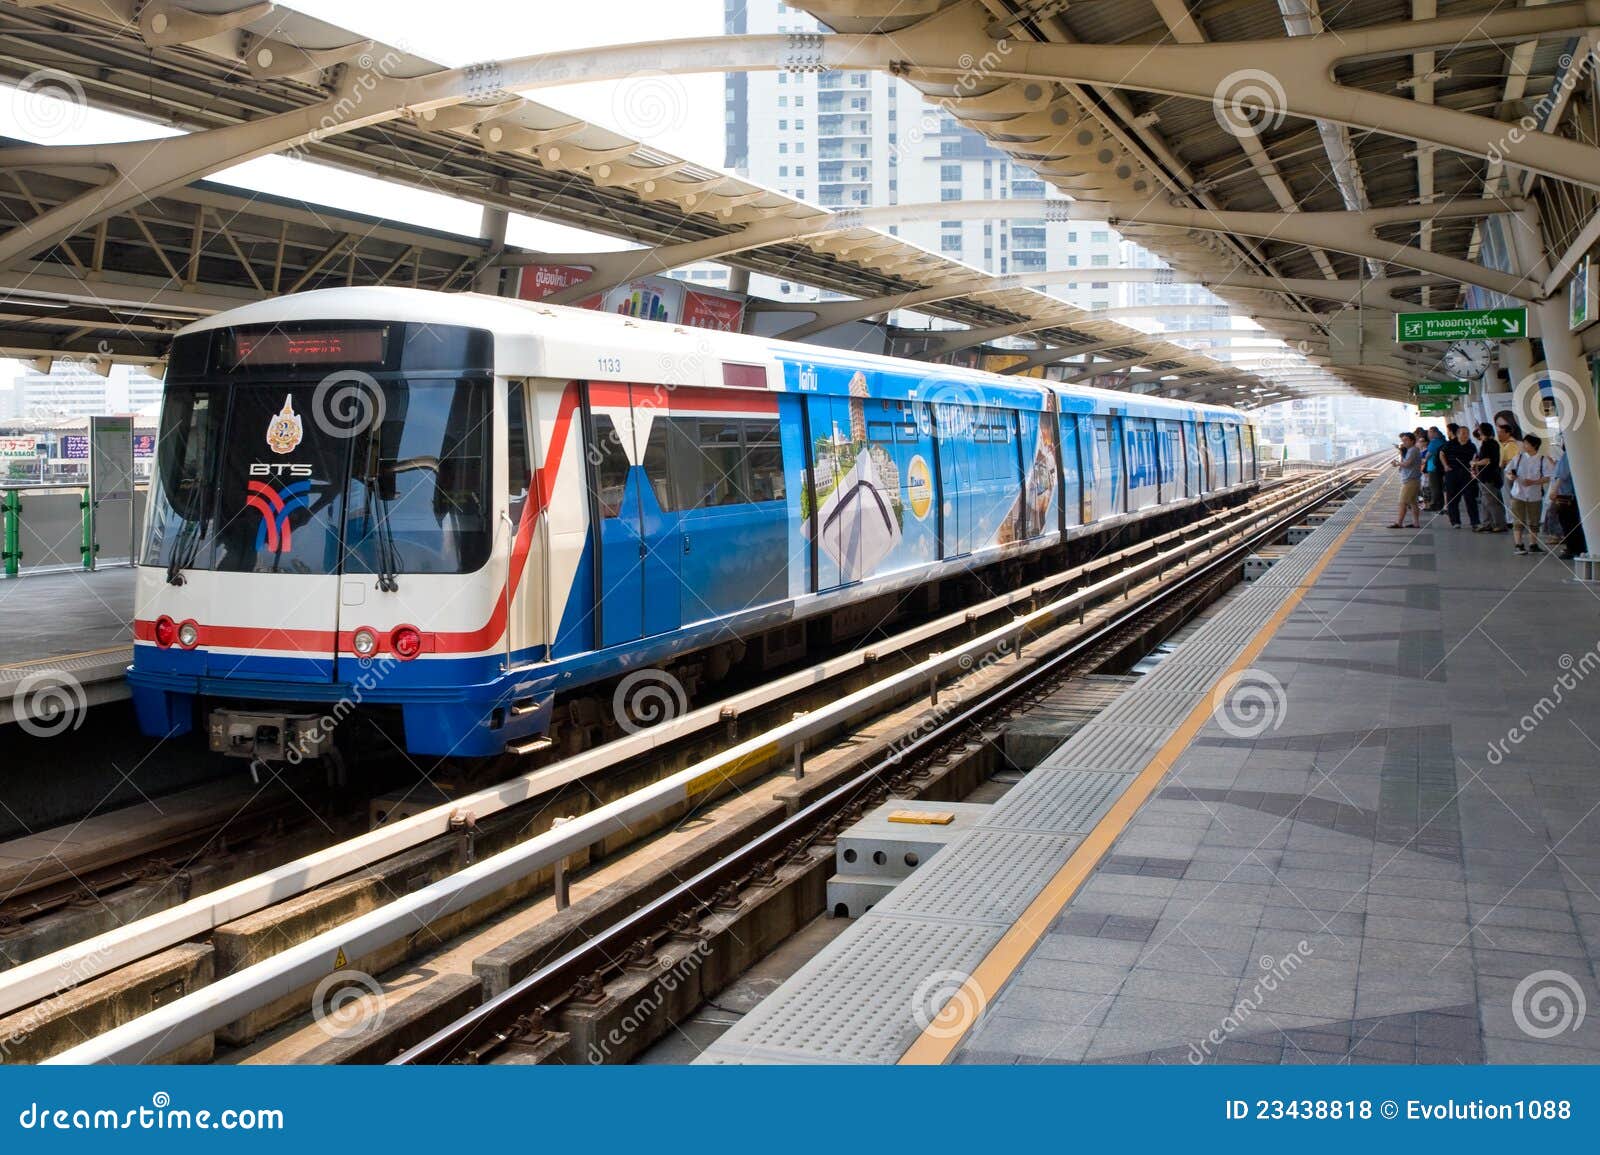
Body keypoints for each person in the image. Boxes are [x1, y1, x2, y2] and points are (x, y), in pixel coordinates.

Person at [1506, 433, 1555, 555]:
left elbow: (1549, 476)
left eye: (1526, 443)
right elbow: (1507, 470)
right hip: (1518, 493)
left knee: (1534, 520)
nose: (1524, 445)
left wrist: (1534, 482)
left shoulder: (1543, 459)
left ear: (1533, 445)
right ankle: (1519, 544)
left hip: (1534, 494)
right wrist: (1511, 476)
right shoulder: (1518, 457)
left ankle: (1533, 544)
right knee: (1518, 519)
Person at [1550, 440, 1587, 559]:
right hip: (1576, 495)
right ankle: (1579, 547)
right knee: (1575, 522)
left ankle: (1572, 548)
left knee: (1568, 522)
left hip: (1566, 495)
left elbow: (1562, 475)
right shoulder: (1580, 455)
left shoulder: (1567, 456)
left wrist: (1554, 490)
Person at [1440, 424, 1480, 529]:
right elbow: (1442, 454)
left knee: (1470, 498)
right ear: (1457, 434)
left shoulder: (1472, 446)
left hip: (1466, 473)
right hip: (1452, 473)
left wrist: (1474, 470)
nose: (1465, 435)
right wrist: (1445, 466)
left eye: (1467, 433)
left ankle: (1475, 521)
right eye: (1462, 433)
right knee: (1452, 498)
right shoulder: (1450, 444)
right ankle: (1455, 522)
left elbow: (1475, 458)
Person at [1471, 422, 1506, 533]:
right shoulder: (1492, 443)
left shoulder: (1487, 444)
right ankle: (1487, 523)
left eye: (1479, 430)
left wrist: (1475, 463)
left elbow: (1487, 460)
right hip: (1488, 476)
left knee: (1491, 502)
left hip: (1488, 477)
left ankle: (1499, 524)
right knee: (1485, 501)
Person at [1390, 432, 1423, 528]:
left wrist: (1397, 464)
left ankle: (1399, 523)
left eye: (1406, 440)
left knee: (1402, 502)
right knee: (1413, 503)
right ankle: (1416, 523)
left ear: (1412, 441)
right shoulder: (1412, 450)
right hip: (1413, 479)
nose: (1403, 442)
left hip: (1410, 481)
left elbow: (1407, 463)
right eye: (1402, 440)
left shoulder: (1412, 450)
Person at [1423, 426, 1447, 511]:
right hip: (1439, 467)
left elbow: (1428, 455)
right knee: (1439, 487)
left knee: (1434, 487)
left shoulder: (1434, 442)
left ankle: (1435, 505)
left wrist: (1424, 459)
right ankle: (1439, 505)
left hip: (1433, 467)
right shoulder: (1442, 441)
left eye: (1429, 433)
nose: (1428, 435)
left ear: (1434, 433)